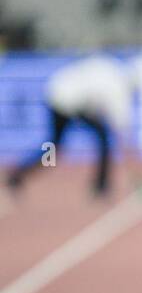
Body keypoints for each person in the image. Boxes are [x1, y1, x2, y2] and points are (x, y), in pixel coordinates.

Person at [7, 54, 135, 198]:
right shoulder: (117, 85)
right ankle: (101, 186)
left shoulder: (111, 68)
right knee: (100, 138)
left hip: (59, 94)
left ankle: (17, 175)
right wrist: (130, 154)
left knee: (55, 147)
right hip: (66, 100)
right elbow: (120, 124)